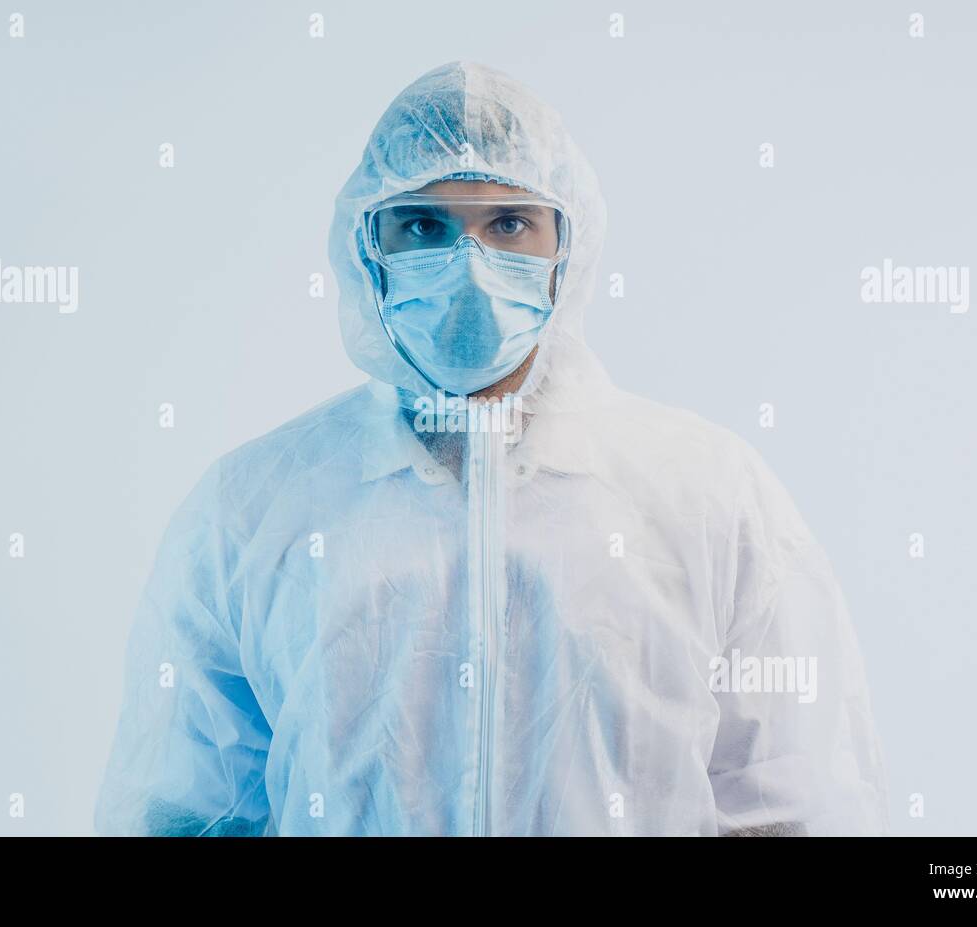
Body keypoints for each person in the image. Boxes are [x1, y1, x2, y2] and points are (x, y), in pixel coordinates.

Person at [94, 61, 888, 837]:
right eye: (424, 226)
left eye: (506, 224)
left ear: (564, 247)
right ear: (368, 246)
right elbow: (185, 811)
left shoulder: (706, 494)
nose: (467, 263)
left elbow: (795, 802)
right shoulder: (256, 506)